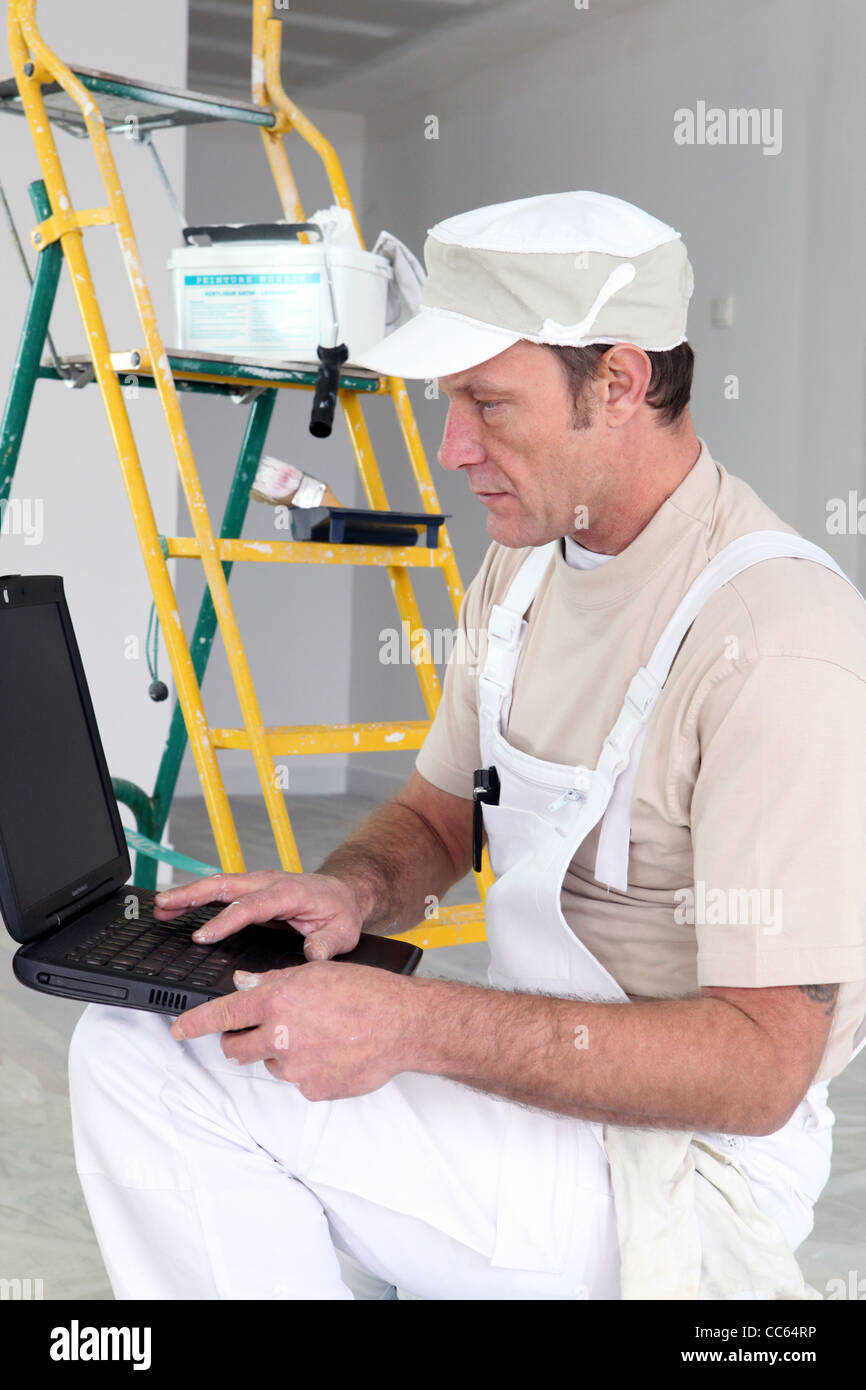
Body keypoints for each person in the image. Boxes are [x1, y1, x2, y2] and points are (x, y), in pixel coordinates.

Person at [68, 190, 866, 1300]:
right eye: (451, 402)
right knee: (159, 1031)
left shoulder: (773, 639)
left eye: (488, 403)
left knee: (154, 1071)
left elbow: (761, 1067)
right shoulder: (531, 564)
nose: (452, 449)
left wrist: (417, 1024)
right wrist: (348, 891)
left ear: (621, 381)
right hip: (543, 1104)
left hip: (675, 1171)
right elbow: (445, 813)